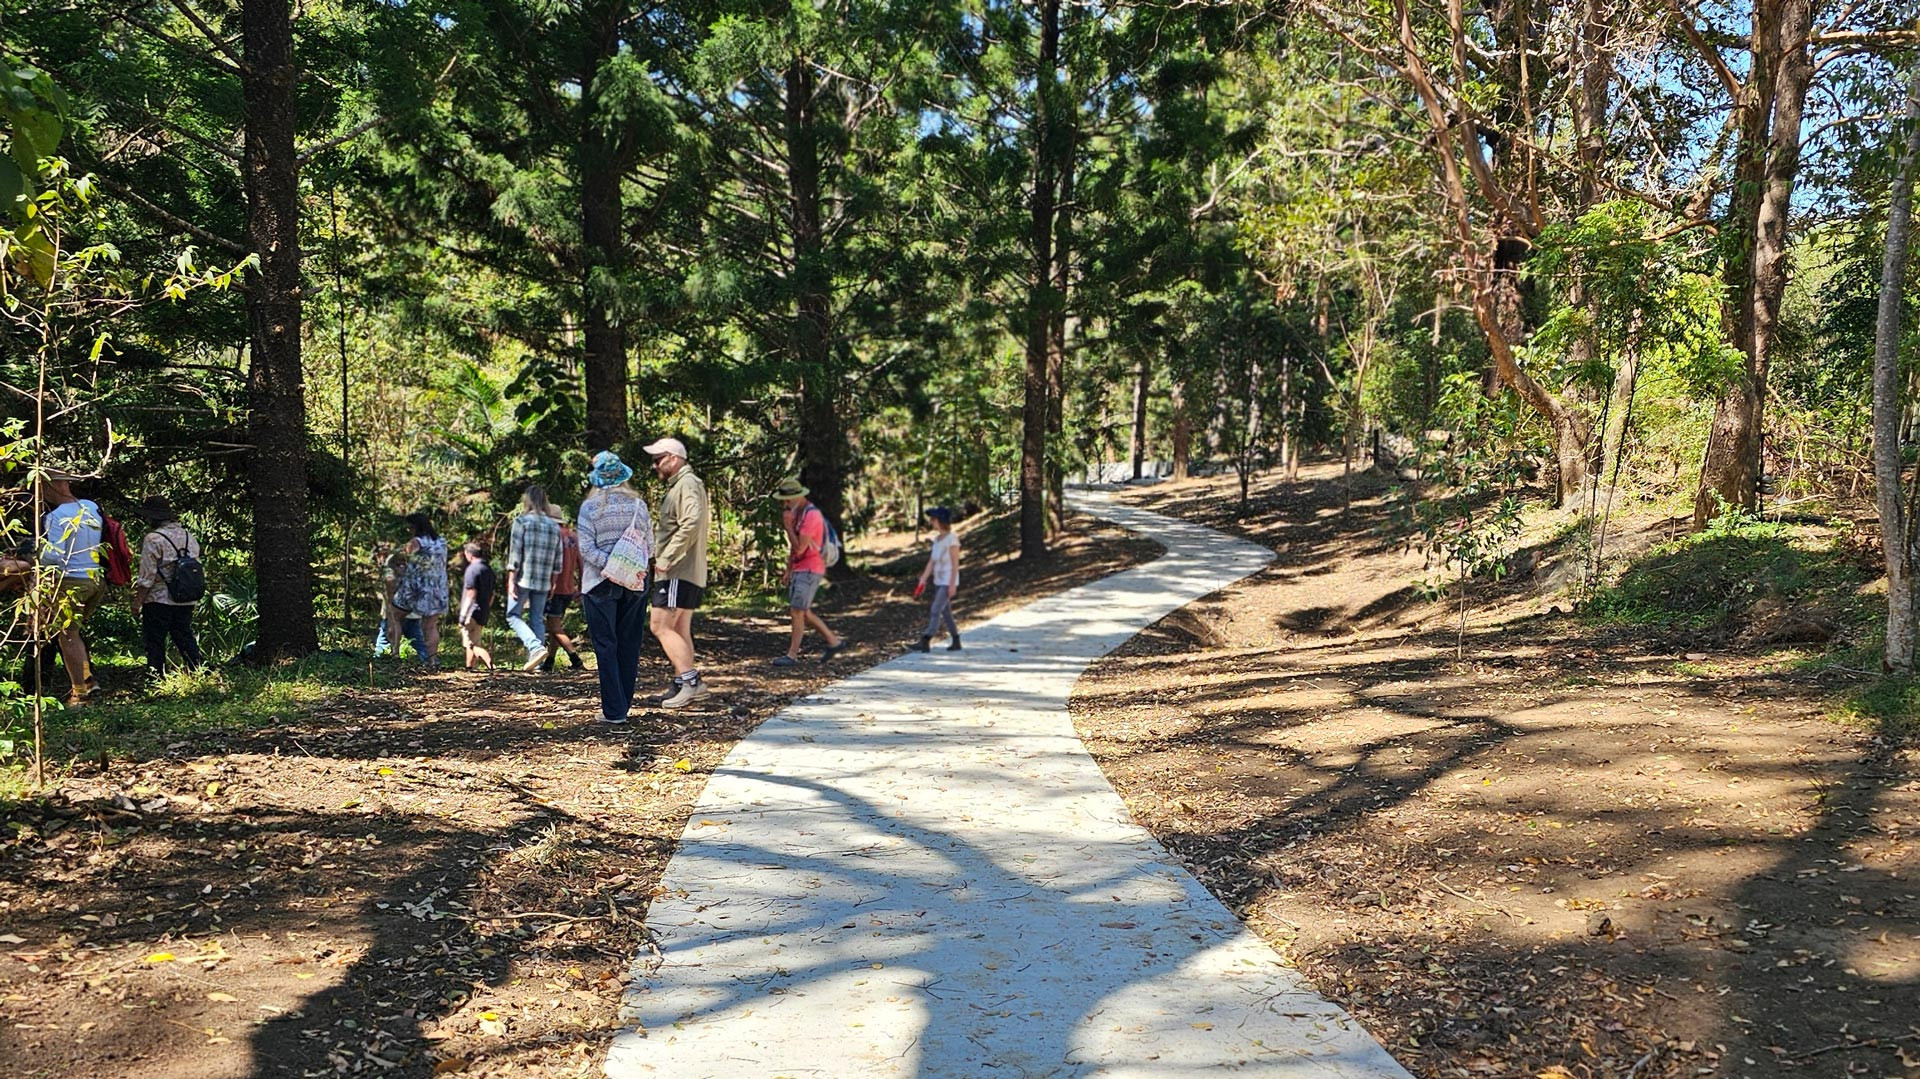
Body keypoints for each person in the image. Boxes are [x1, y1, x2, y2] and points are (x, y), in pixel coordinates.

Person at [578, 451, 654, 724]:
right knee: (630, 642)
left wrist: (609, 566)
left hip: (599, 583)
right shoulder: (638, 506)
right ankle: (622, 706)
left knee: (605, 645)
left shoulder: (589, 508)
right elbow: (650, 545)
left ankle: (614, 710)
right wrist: (628, 567)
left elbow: (586, 548)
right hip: (634, 582)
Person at [644, 437, 711, 708]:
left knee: (659, 625)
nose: (655, 465)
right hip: (684, 571)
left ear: (674, 458)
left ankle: (692, 681)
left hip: (676, 570)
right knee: (680, 628)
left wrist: (667, 557)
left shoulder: (687, 483)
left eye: (658, 459)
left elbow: (691, 522)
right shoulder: (683, 485)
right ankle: (681, 684)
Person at [36, 470, 104, 705]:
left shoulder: (57, 516)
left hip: (70, 581)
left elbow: (53, 556)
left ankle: (80, 693)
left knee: (69, 637)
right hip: (94, 580)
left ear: (53, 486)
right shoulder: (91, 508)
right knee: (75, 635)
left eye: (42, 487)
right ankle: (88, 680)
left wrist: (31, 556)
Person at [771, 478, 847, 667]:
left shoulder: (811, 516)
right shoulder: (798, 513)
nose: (785, 505)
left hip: (810, 568)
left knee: (797, 610)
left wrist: (787, 527)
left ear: (798, 497)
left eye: (787, 501)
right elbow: (793, 548)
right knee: (803, 611)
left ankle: (792, 655)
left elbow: (800, 549)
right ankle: (833, 641)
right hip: (799, 568)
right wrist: (789, 569)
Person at [131, 495, 204, 678]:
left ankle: (156, 676)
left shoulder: (153, 538)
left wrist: (138, 601)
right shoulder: (189, 537)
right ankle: (198, 670)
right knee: (184, 635)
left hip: (159, 598)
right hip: (185, 596)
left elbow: (147, 575)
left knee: (155, 639)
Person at [504, 485, 563, 671]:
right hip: (544, 579)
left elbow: (515, 554)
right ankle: (538, 664)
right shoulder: (553, 526)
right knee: (537, 618)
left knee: (512, 615)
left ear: (527, 500)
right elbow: (558, 556)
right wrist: (553, 582)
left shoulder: (522, 522)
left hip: (523, 577)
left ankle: (535, 647)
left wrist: (511, 579)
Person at [394, 511, 451, 669]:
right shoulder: (441, 541)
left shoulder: (415, 542)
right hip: (439, 588)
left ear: (414, 527)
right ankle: (432, 660)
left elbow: (403, 560)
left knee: (395, 616)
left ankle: (395, 653)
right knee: (430, 626)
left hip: (416, 588)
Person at [540, 504, 585, 671]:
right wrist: (581, 585)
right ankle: (549, 662)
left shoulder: (552, 536)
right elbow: (581, 563)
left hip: (554, 588)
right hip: (569, 588)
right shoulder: (573, 536)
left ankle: (576, 659)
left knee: (554, 626)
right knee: (555, 625)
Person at [910, 506, 962, 653]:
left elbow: (955, 563)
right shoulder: (937, 540)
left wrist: (952, 584)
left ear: (941, 521)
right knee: (946, 613)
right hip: (939, 580)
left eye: (933, 519)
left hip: (947, 580)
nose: (931, 521)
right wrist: (923, 580)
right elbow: (932, 562)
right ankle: (956, 640)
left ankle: (925, 639)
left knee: (935, 609)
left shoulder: (952, 539)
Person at [374, 541, 428, 660]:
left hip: (399, 610)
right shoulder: (414, 566)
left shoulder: (392, 564)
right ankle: (428, 660)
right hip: (412, 611)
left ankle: (380, 659)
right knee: (417, 640)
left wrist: (389, 612)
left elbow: (390, 590)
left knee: (385, 639)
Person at [458, 541, 496, 671]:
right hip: (483, 611)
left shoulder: (472, 570)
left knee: (471, 644)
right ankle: (470, 668)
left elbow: (471, 593)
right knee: (473, 642)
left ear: (469, 554)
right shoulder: (488, 569)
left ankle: (488, 660)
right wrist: (487, 607)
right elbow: (493, 594)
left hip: (471, 612)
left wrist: (463, 615)